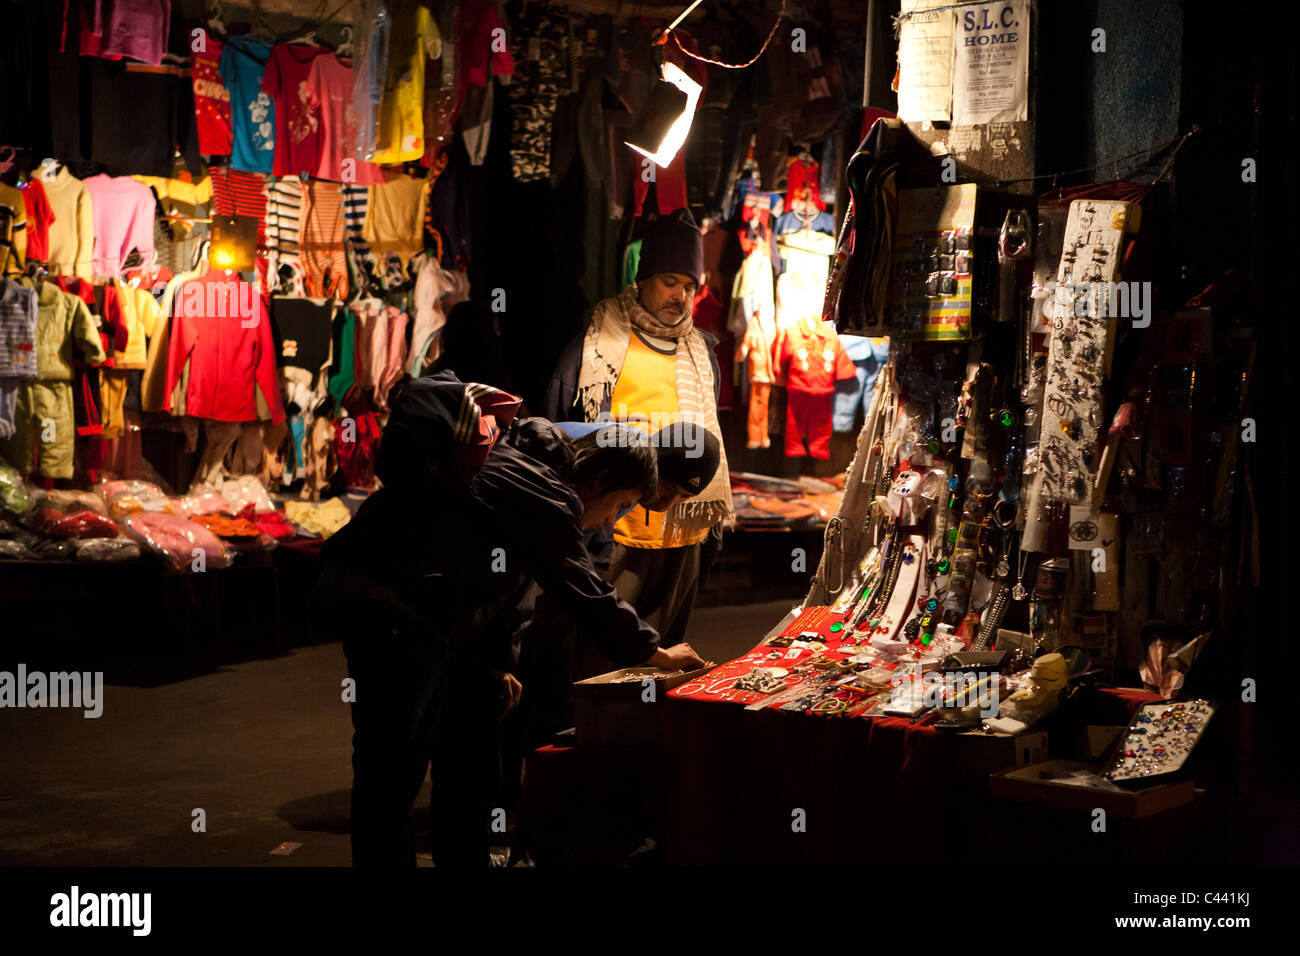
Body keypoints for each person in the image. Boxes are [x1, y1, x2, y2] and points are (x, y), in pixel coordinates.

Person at [310, 371, 704, 867]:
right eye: (620, 506)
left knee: (466, 757)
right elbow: (582, 587)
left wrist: (498, 661)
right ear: (601, 478)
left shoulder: (529, 469)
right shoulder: (541, 492)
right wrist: (657, 652)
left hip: (436, 621)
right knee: (390, 774)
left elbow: (502, 586)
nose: (610, 522)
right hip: (389, 614)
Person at [543, 207, 733, 652]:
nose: (681, 296)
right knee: (599, 657)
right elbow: (560, 438)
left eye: (690, 286)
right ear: (643, 279)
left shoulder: (702, 352)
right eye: (670, 282)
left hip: (684, 536)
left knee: (664, 659)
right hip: (617, 535)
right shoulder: (598, 344)